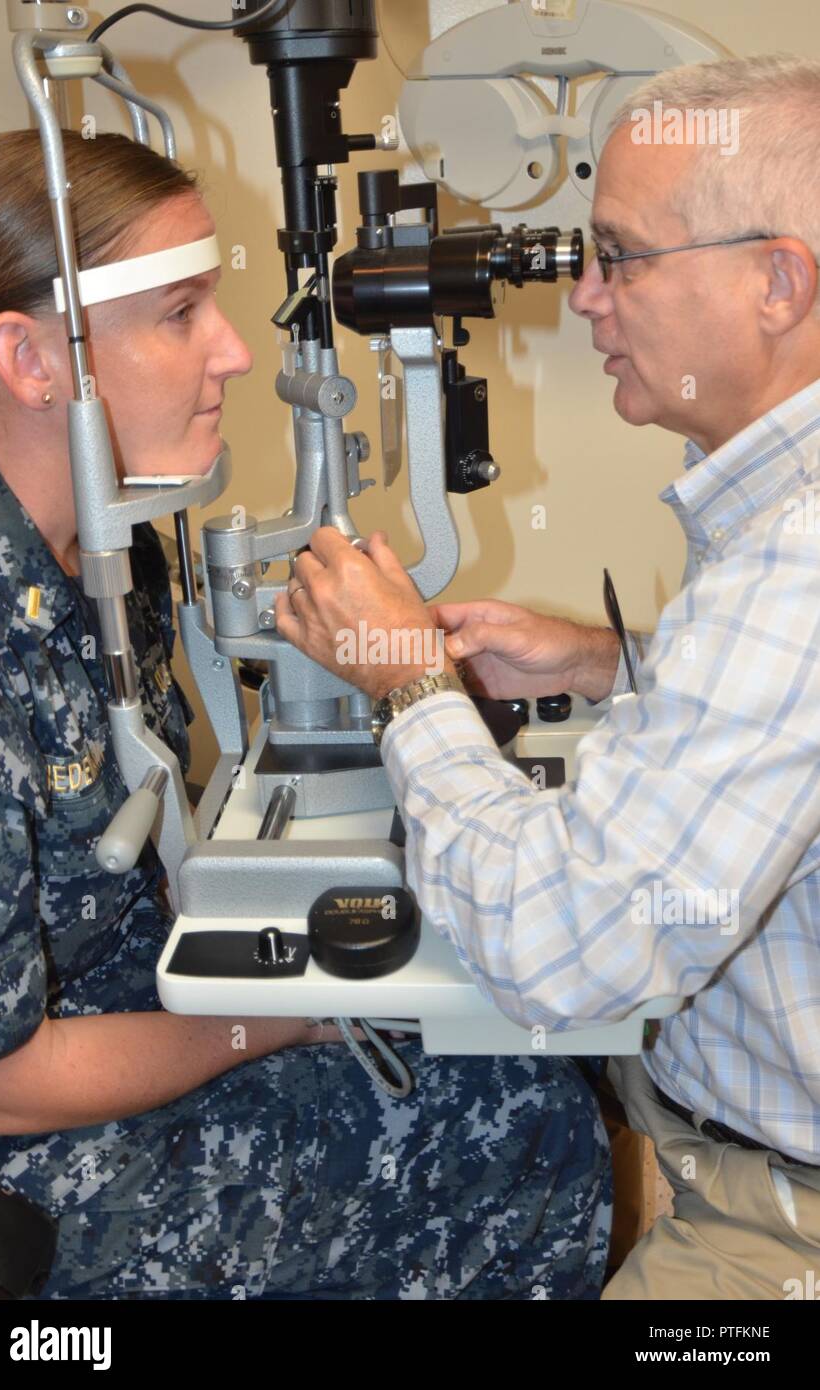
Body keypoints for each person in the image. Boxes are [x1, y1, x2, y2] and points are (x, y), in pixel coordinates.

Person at [0, 128, 611, 1300]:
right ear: (31, 358)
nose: (232, 355)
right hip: (10, 1161)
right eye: (179, 313)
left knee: (513, 1059)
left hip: (129, 1017)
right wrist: (278, 1020)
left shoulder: (116, 550)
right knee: (521, 1126)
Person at [277, 54, 820, 1299]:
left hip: (773, 1229)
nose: (583, 300)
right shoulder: (774, 523)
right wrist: (603, 663)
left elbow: (563, 951)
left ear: (776, 281)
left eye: (618, 257)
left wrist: (408, 682)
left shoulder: (790, 572)